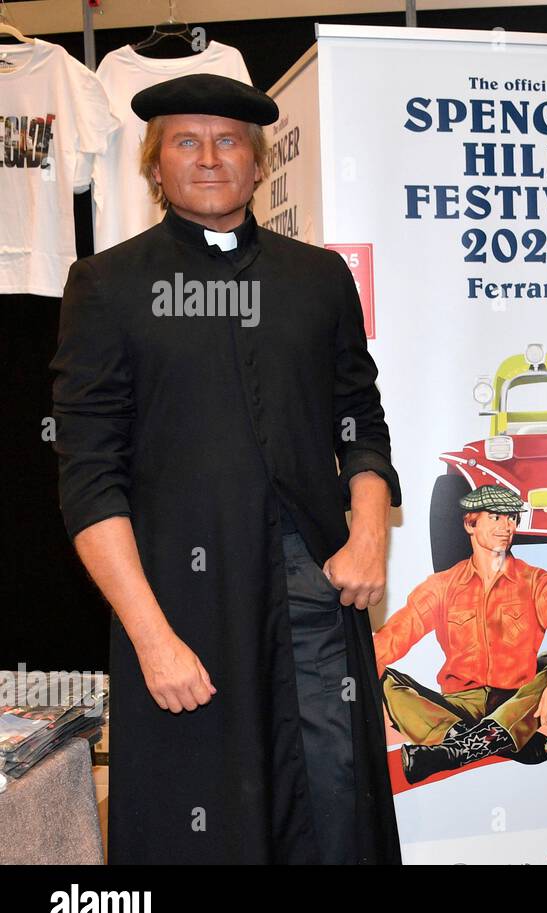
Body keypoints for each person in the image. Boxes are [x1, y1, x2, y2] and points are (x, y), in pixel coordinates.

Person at [51, 74, 402, 864]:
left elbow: (363, 421)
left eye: (229, 141)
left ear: (257, 163)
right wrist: (151, 639)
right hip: (182, 606)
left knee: (334, 801)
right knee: (203, 820)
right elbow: (88, 478)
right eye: (186, 140)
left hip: (317, 596)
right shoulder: (105, 287)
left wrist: (371, 530)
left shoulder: (318, 278)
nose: (209, 157)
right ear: (155, 166)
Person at [374, 485, 547, 783]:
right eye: (496, 517)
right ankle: (487, 740)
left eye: (512, 518)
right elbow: (395, 636)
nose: (507, 526)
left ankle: (461, 747)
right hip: (459, 704)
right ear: (470, 524)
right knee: (384, 680)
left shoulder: (538, 581)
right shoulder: (441, 586)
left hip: (516, 700)